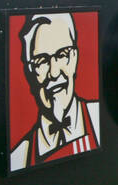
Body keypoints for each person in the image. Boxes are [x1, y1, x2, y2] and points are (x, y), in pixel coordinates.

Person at [11, 12, 100, 171]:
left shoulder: (96, 118)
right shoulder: (19, 156)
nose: (54, 72)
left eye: (61, 55)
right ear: (31, 71)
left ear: (74, 58)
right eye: (42, 61)